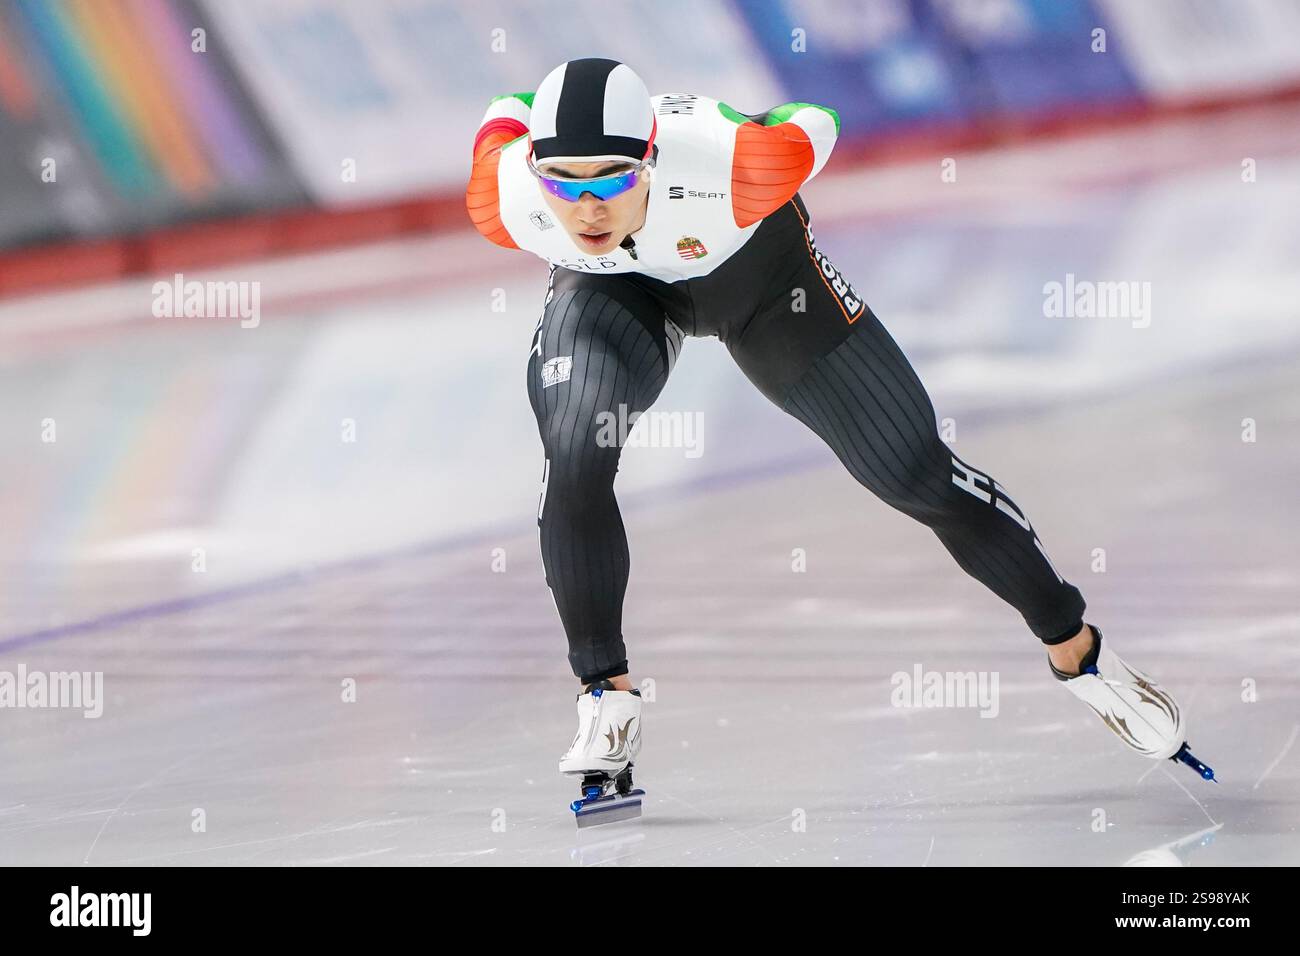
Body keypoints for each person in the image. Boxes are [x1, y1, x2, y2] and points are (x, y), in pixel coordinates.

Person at [465, 58, 1211, 821]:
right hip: (613, 291)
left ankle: (1078, 650)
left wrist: (748, 125)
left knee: (912, 471)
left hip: (764, 282)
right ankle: (606, 695)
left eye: (612, 180)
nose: (586, 208)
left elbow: (814, 117)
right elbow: (507, 104)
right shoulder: (505, 195)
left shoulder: (741, 166)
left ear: (652, 159)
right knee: (576, 445)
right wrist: (539, 137)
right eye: (564, 183)